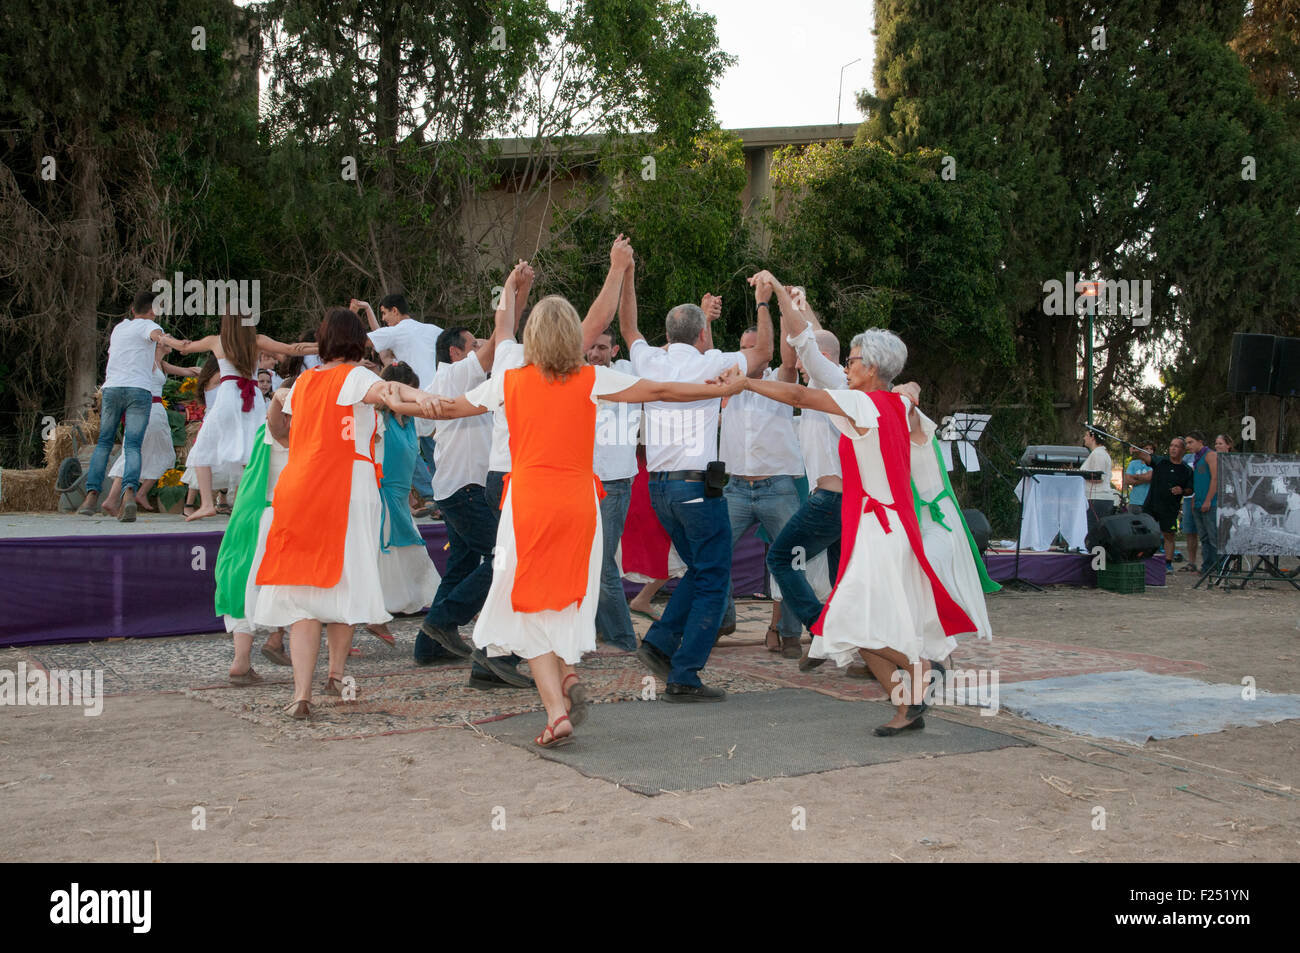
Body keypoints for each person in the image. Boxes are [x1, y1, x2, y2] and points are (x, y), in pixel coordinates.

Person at [390, 294, 745, 746]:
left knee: (525, 603)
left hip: (530, 502)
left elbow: (445, 408)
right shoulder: (591, 378)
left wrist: (397, 397)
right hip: (580, 502)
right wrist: (719, 390)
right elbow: (658, 390)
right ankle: (569, 673)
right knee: (565, 597)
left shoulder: (510, 382)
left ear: (533, 337)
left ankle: (557, 710)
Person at [725, 329, 976, 735]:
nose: (847, 366)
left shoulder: (862, 403)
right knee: (857, 629)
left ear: (873, 367)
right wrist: (910, 387)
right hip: (887, 527)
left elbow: (799, 397)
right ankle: (907, 707)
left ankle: (920, 665)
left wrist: (747, 382)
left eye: (853, 360)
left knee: (849, 625)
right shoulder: (898, 402)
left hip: (879, 532)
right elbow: (909, 397)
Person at [252, 307, 428, 719]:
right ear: (358, 341)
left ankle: (301, 694)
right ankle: (334, 673)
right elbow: (388, 395)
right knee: (345, 581)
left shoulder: (302, 383)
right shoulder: (358, 375)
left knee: (303, 594)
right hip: (347, 486)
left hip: (299, 487)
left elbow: (279, 432)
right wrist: (426, 402)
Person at [620, 276, 774, 701]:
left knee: (701, 569)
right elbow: (763, 354)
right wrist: (763, 303)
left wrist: (629, 275)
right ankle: (685, 673)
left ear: (668, 334)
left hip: (658, 489)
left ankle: (660, 642)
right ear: (702, 334)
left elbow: (629, 328)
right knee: (713, 577)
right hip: (695, 490)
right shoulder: (711, 364)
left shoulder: (650, 360)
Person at [753, 275, 846, 670]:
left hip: (830, 501)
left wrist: (776, 294)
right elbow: (813, 338)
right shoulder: (834, 382)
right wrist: (798, 303)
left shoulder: (834, 386)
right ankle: (848, 646)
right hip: (840, 501)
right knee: (844, 576)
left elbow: (807, 345)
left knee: (780, 559)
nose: (802, 368)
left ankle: (821, 627)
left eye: (810, 365)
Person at [716, 278, 803, 657]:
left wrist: (768, 304)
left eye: (752, 349)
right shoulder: (727, 384)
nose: (746, 356)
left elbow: (784, 358)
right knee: (713, 554)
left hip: (777, 488)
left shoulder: (780, 380)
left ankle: (790, 633)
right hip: (735, 488)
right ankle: (723, 618)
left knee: (791, 560)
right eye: (742, 349)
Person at [175, 311, 311, 521]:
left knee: (202, 448)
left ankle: (207, 504)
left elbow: (184, 347)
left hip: (229, 395)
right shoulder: (257, 341)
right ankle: (248, 502)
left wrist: (164, 339)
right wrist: (327, 346)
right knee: (252, 449)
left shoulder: (216, 341)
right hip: (252, 399)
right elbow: (292, 349)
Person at [79, 290, 189, 519]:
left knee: (104, 443)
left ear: (132, 310)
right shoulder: (148, 326)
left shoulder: (119, 328)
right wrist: (179, 344)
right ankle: (129, 493)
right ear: (153, 312)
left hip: (111, 388)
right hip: (138, 390)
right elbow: (160, 338)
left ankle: (90, 498)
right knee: (133, 446)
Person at [214, 382, 293, 683]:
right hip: (280, 519)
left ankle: (242, 660)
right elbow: (276, 421)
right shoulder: (288, 433)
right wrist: (280, 397)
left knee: (244, 585)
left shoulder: (266, 434)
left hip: (252, 517)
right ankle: (283, 647)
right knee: (286, 587)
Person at [587, 274, 642, 652]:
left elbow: (627, 321)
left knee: (603, 563)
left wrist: (624, 276)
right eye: (591, 347)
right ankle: (602, 629)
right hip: (583, 482)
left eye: (602, 348)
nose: (595, 353)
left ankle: (623, 638)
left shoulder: (627, 374)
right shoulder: (578, 375)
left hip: (616, 483)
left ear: (615, 349)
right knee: (590, 560)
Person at [369, 363, 441, 644]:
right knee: (381, 560)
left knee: (410, 556)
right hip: (381, 498)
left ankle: (442, 610)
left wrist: (412, 494)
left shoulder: (409, 421)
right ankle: (374, 618)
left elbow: (409, 460)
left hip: (400, 499)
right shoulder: (379, 419)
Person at [357, 294, 444, 507]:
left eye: (385, 313)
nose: (384, 318)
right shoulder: (433, 330)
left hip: (409, 396)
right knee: (436, 450)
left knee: (406, 446)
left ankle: (430, 495)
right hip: (435, 396)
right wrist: (369, 309)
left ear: (395, 311)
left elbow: (371, 339)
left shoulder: (399, 331)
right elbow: (382, 343)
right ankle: (441, 496)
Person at [100, 349, 196, 518]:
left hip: (156, 411)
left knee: (159, 454)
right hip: (147, 408)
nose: (169, 340)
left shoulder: (162, 364)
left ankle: (130, 495)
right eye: (165, 337)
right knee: (137, 453)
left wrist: (212, 370)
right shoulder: (145, 360)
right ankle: (120, 497)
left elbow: (186, 371)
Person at [1129, 438, 1193, 566]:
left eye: (1176, 446)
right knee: (1144, 532)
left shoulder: (1187, 469)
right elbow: (1147, 458)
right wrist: (1137, 451)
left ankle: (1168, 563)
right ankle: (1141, 560)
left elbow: (1190, 490)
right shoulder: (1161, 461)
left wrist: (1181, 490)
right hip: (1151, 504)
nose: (1173, 448)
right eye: (1171, 445)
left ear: (1182, 450)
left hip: (1170, 508)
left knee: (1169, 535)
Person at [1185, 430, 1219, 572]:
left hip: (1209, 503)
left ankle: (1217, 566)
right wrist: (1194, 498)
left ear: (1200, 441)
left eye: (1190, 442)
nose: (1188, 446)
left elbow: (1215, 478)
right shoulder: (1197, 458)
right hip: (1198, 501)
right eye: (1186, 443)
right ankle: (1207, 566)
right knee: (1203, 537)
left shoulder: (1210, 455)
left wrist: (1208, 500)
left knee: (1213, 537)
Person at [1081, 429, 1118, 534]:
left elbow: (1098, 477)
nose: (1084, 438)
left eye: (1086, 435)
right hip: (1096, 498)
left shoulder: (1098, 454)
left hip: (1097, 498)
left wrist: (1080, 476)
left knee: (1093, 531)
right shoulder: (1098, 453)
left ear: (1093, 437)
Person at [1123, 441, 1155, 515]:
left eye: (1151, 449)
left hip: (1149, 502)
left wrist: (1134, 477)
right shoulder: (1133, 463)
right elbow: (1127, 480)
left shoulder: (1155, 464)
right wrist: (1144, 478)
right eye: (1146, 448)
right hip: (1134, 502)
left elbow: (1149, 478)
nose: (1149, 451)